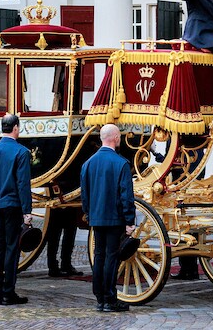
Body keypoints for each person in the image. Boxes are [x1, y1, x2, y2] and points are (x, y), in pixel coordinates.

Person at [81, 123, 136, 313]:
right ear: (115, 138)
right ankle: (109, 299)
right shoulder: (121, 164)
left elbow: (85, 195)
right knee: (111, 258)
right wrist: (130, 221)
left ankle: (100, 297)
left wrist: (89, 213)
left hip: (96, 217)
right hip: (114, 218)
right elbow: (126, 196)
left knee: (99, 256)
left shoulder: (88, 164)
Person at [0, 113, 33, 306]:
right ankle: (8, 291)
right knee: (12, 248)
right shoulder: (21, 152)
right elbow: (23, 184)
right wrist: (27, 211)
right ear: (16, 128)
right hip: (12, 204)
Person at [46, 206, 84, 278]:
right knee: (54, 237)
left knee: (69, 235)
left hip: (70, 206)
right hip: (56, 206)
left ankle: (66, 264)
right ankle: (53, 266)